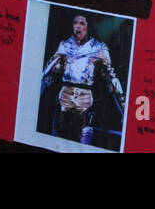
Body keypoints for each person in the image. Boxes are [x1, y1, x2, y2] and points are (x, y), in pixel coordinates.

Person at [40, 14, 125, 146]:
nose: (77, 27)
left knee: (85, 139)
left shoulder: (98, 48)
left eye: (81, 23)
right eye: (75, 23)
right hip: (64, 99)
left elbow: (111, 79)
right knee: (57, 139)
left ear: (88, 27)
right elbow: (47, 73)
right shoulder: (65, 46)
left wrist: (123, 109)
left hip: (85, 101)